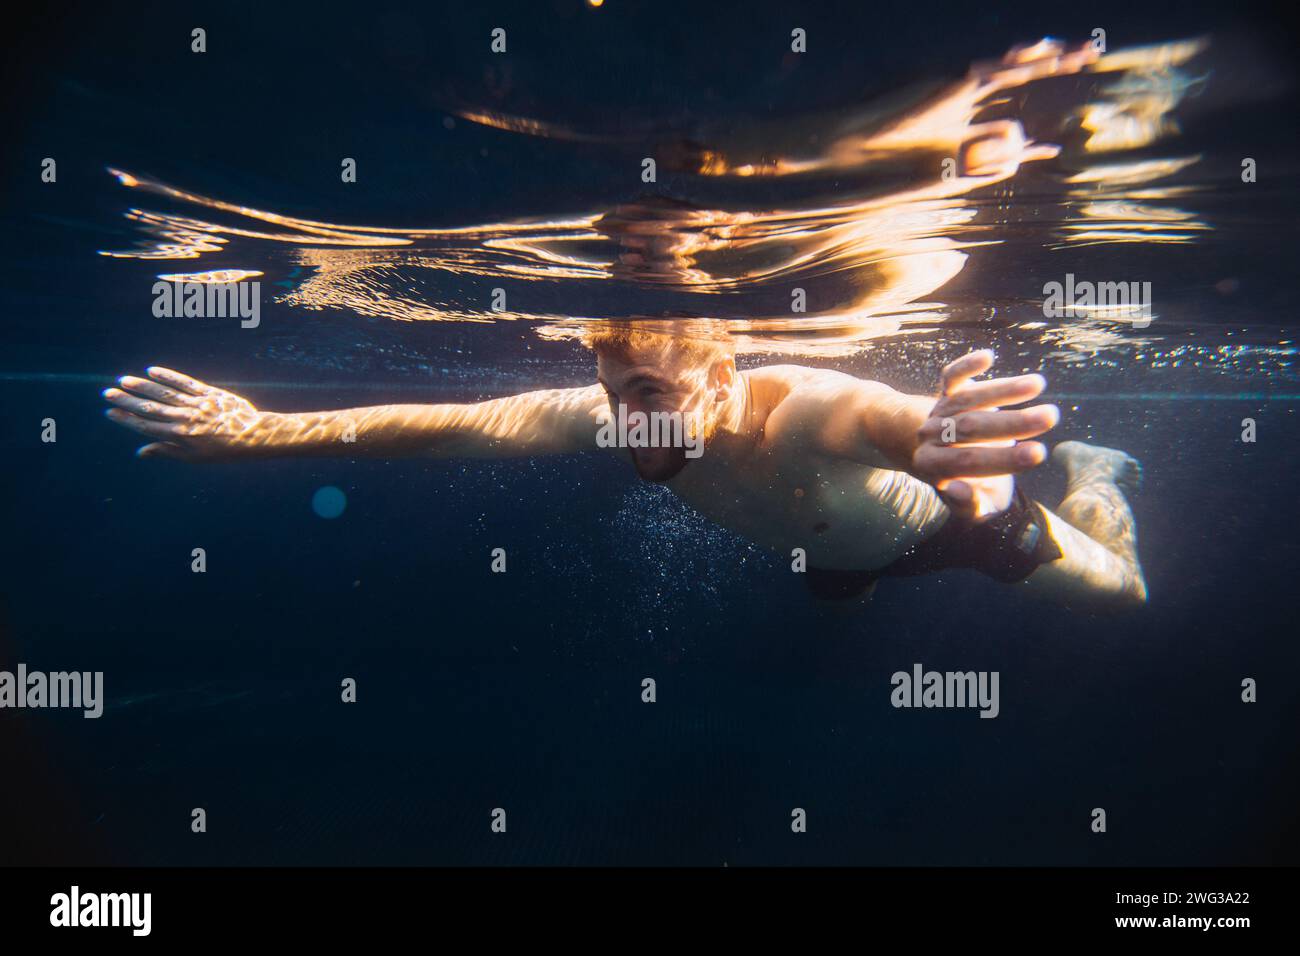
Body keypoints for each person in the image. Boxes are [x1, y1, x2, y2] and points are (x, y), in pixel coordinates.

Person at [102, 326, 1146, 606]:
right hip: (838, 552)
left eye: (652, 392)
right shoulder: (609, 410)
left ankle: (1096, 475)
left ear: (721, 369)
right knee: (835, 592)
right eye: (613, 392)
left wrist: (937, 434)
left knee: (1124, 593)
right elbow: (443, 423)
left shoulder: (803, 410)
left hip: (955, 529)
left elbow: (884, 415)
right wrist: (258, 430)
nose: (627, 422)